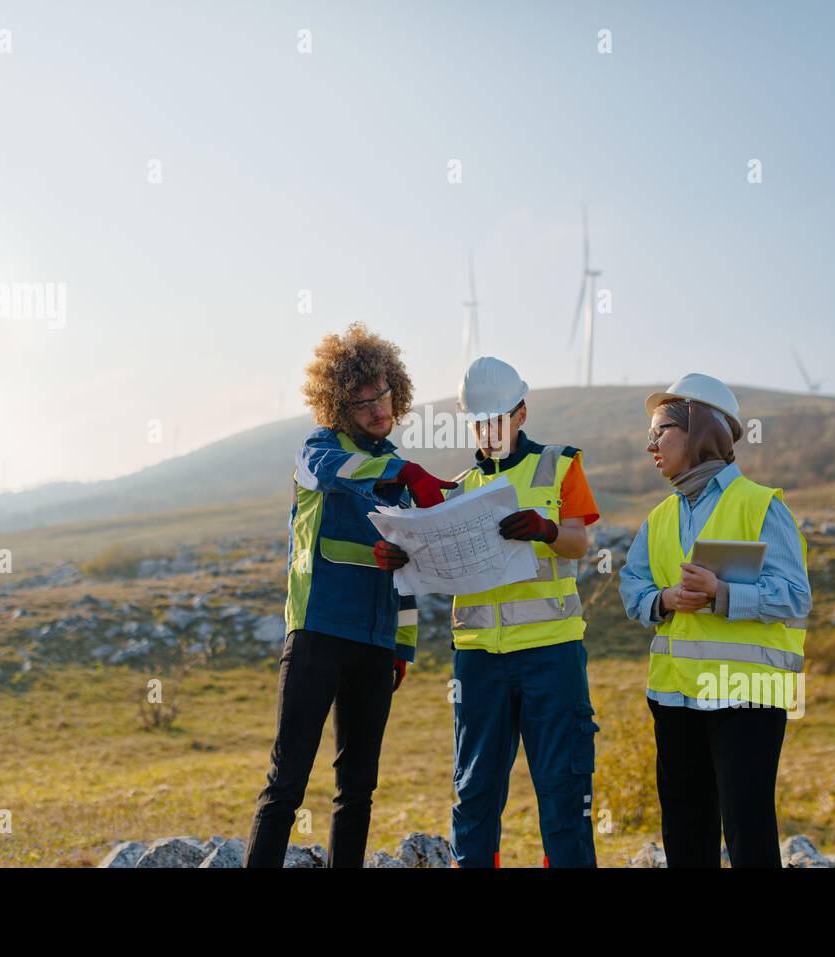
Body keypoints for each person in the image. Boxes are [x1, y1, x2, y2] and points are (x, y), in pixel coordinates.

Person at [245, 322, 456, 867]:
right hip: (318, 632)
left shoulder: (397, 468)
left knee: (358, 788)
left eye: (382, 395)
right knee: (287, 781)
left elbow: (408, 568)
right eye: (361, 402)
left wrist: (403, 648)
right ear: (338, 406)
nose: (376, 409)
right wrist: (406, 468)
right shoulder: (318, 450)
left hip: (376, 643)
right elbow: (331, 473)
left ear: (397, 389)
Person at [377, 356, 601, 867]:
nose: (488, 430)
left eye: (498, 418)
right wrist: (405, 555)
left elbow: (579, 544)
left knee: (563, 793)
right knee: (474, 794)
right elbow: (435, 567)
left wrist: (546, 529)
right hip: (477, 661)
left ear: (522, 413)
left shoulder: (559, 464)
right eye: (479, 421)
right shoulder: (457, 490)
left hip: (551, 654)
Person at [618, 373, 811, 868]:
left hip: (746, 696)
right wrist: (663, 599)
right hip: (675, 696)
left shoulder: (761, 505)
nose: (649, 445)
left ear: (701, 429)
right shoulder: (659, 516)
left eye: (660, 431)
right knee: (684, 831)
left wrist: (723, 595)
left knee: (748, 831)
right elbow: (631, 587)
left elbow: (794, 597)